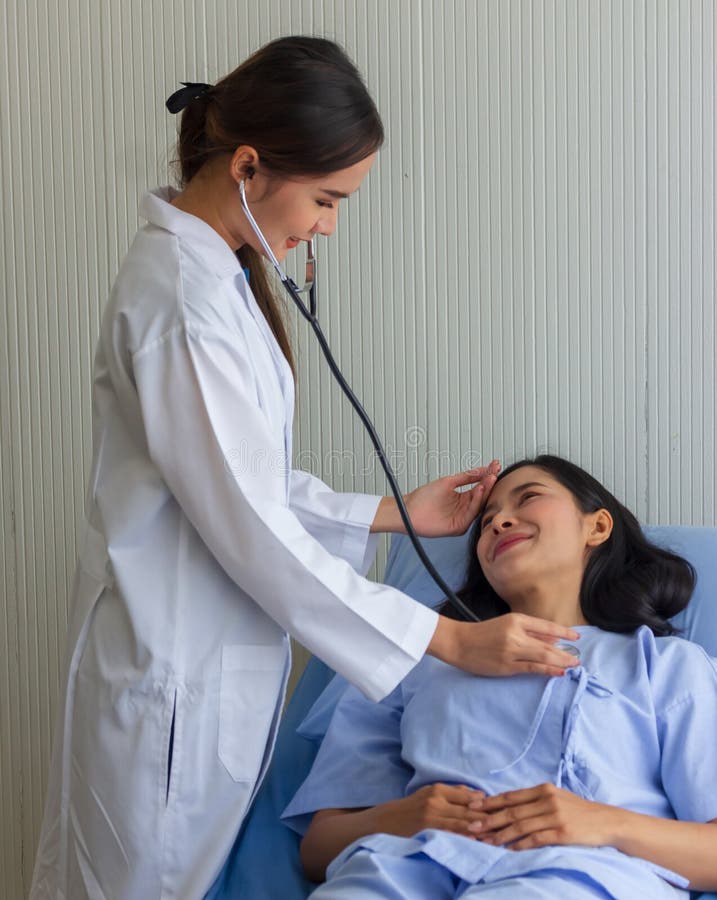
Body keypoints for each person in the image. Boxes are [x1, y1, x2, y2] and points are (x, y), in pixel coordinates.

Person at [30, 39, 580, 899]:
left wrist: (395, 515)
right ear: (249, 167)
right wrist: (448, 639)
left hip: (201, 688)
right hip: (169, 694)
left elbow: (232, 484)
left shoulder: (214, 281)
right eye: (326, 198)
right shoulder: (184, 304)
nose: (327, 225)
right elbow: (249, 531)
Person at [284, 455, 717, 898]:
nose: (500, 522)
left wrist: (605, 824)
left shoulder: (665, 665)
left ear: (598, 527)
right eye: (487, 520)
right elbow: (319, 849)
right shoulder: (414, 662)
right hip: (399, 872)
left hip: (576, 876)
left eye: (528, 498)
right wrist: (399, 817)